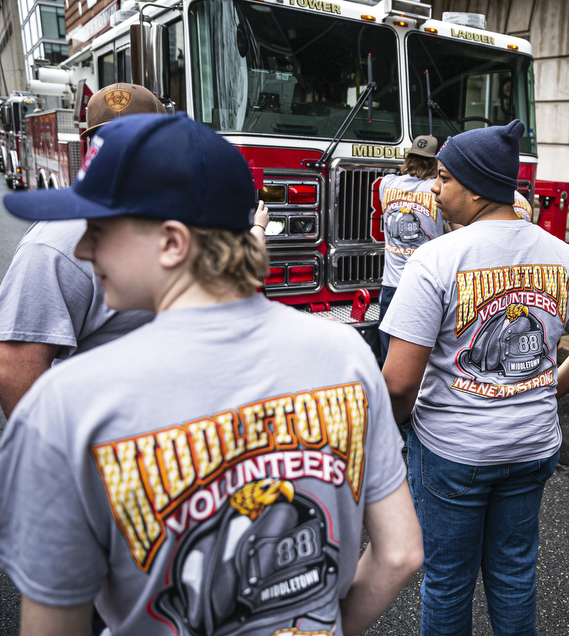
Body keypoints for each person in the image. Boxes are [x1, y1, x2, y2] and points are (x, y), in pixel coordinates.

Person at [0, 114, 423, 636]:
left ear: (174, 243)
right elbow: (400, 553)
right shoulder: (344, 353)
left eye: (100, 230)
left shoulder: (65, 405)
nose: (84, 249)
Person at [380, 120, 569, 635]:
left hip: (455, 451)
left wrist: (393, 435)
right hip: (531, 447)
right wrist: (541, 391)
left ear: (475, 184)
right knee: (513, 576)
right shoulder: (563, 255)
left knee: (447, 581)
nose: (435, 190)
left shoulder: (436, 259)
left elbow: (398, 384)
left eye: (443, 178)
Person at [0, 83, 268, 418]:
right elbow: (15, 366)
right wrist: (58, 451)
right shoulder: (50, 244)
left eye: (140, 137)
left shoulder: (197, 214)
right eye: (107, 139)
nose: (86, 250)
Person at [377, 134, 444, 360]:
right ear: (434, 162)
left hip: (392, 283)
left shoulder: (387, 183)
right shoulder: (437, 191)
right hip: (425, 284)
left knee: (388, 351)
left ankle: (386, 394)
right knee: (423, 352)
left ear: (409, 158)